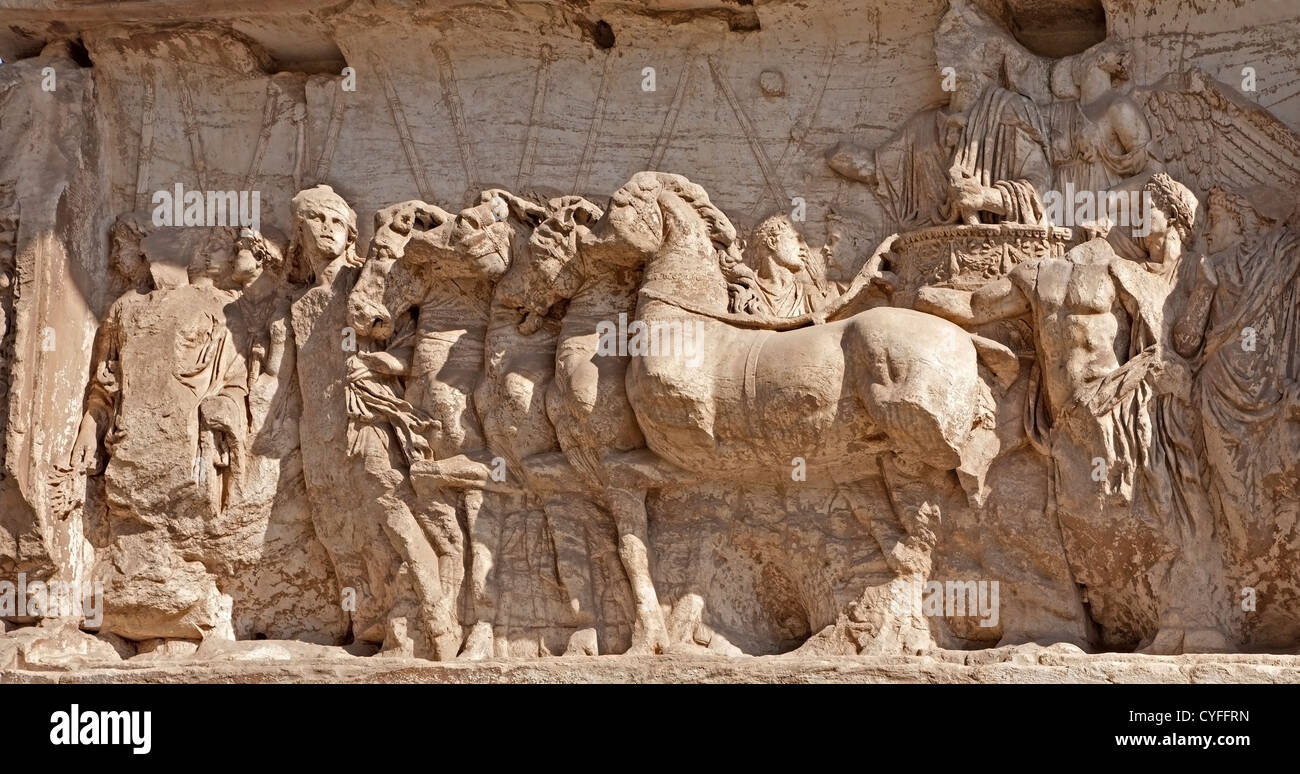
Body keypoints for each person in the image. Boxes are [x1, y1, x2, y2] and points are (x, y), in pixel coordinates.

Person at [915, 173, 1228, 652]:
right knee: (1100, 509)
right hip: (1067, 414)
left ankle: (1191, 619)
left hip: (1115, 399)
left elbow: (1167, 335)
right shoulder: (1036, 275)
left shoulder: (1123, 273)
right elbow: (973, 305)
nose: (1096, 224)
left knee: (1159, 499)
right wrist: (915, 299)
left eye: (1112, 216)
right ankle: (1131, 617)